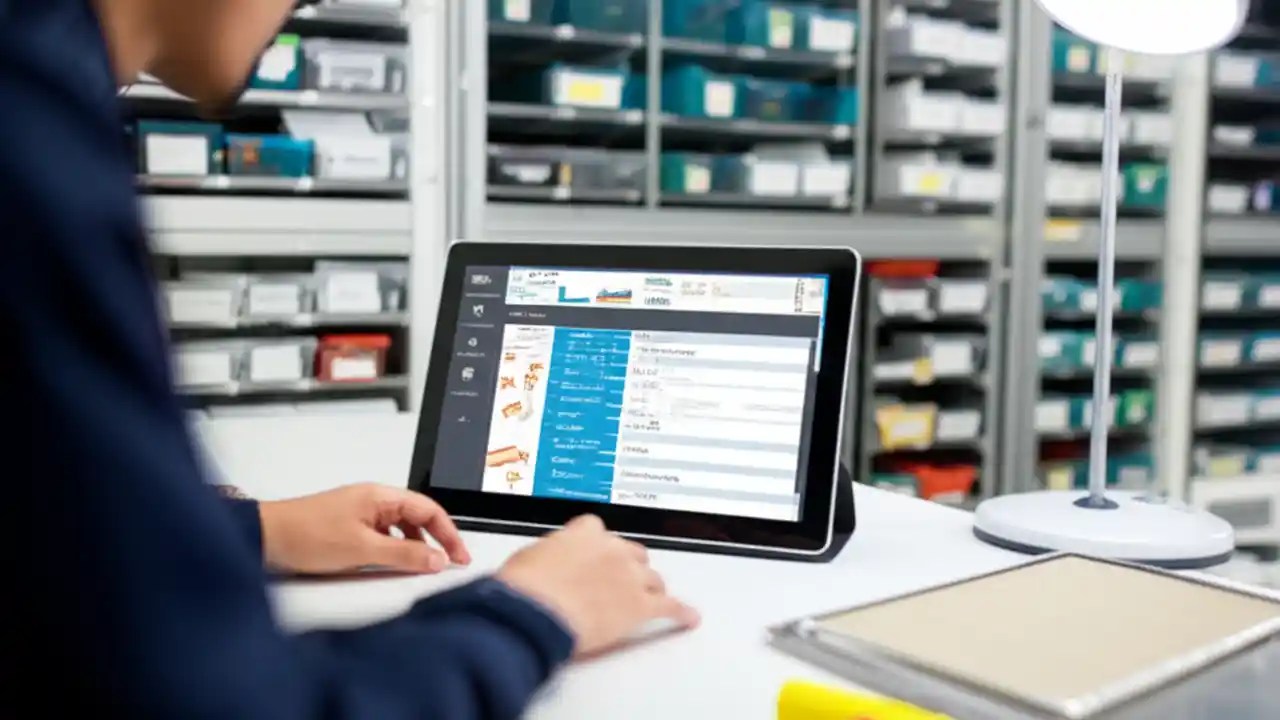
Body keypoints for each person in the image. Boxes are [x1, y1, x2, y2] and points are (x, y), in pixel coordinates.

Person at [0, 1, 698, 718]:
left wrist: (260, 532)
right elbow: (223, 702)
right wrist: (530, 611)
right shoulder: (29, 145)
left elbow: (44, 531)